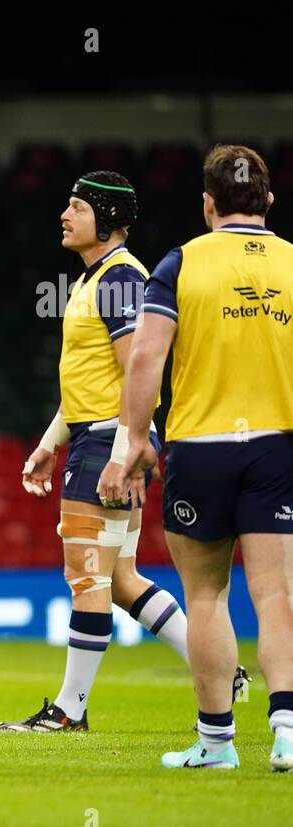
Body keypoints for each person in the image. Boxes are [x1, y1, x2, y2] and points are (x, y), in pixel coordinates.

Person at [0, 171, 234, 732]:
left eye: (76, 207)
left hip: (109, 439)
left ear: (104, 221)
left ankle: (68, 712)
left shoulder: (123, 279)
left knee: (87, 576)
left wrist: (127, 446)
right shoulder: (95, 280)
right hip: (98, 435)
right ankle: (225, 670)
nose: (64, 215)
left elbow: (138, 369)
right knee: (122, 577)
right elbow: (91, 379)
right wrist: (49, 443)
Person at [100, 145, 293, 770]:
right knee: (276, 595)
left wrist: (131, 442)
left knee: (206, 597)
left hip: (201, 448)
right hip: (277, 446)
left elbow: (148, 357)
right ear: (266, 201)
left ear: (207, 203)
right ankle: (288, 733)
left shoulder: (179, 263)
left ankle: (217, 744)